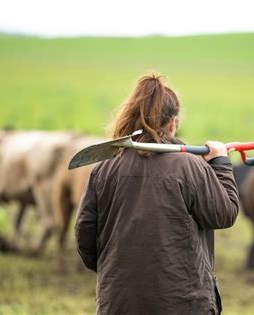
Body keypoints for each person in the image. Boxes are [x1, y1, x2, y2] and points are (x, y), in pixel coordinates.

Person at [75, 73, 239, 314]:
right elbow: (224, 214)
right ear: (173, 122)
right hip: (184, 304)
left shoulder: (104, 169)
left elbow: (85, 238)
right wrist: (221, 164)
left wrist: (120, 275)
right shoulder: (190, 166)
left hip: (119, 304)